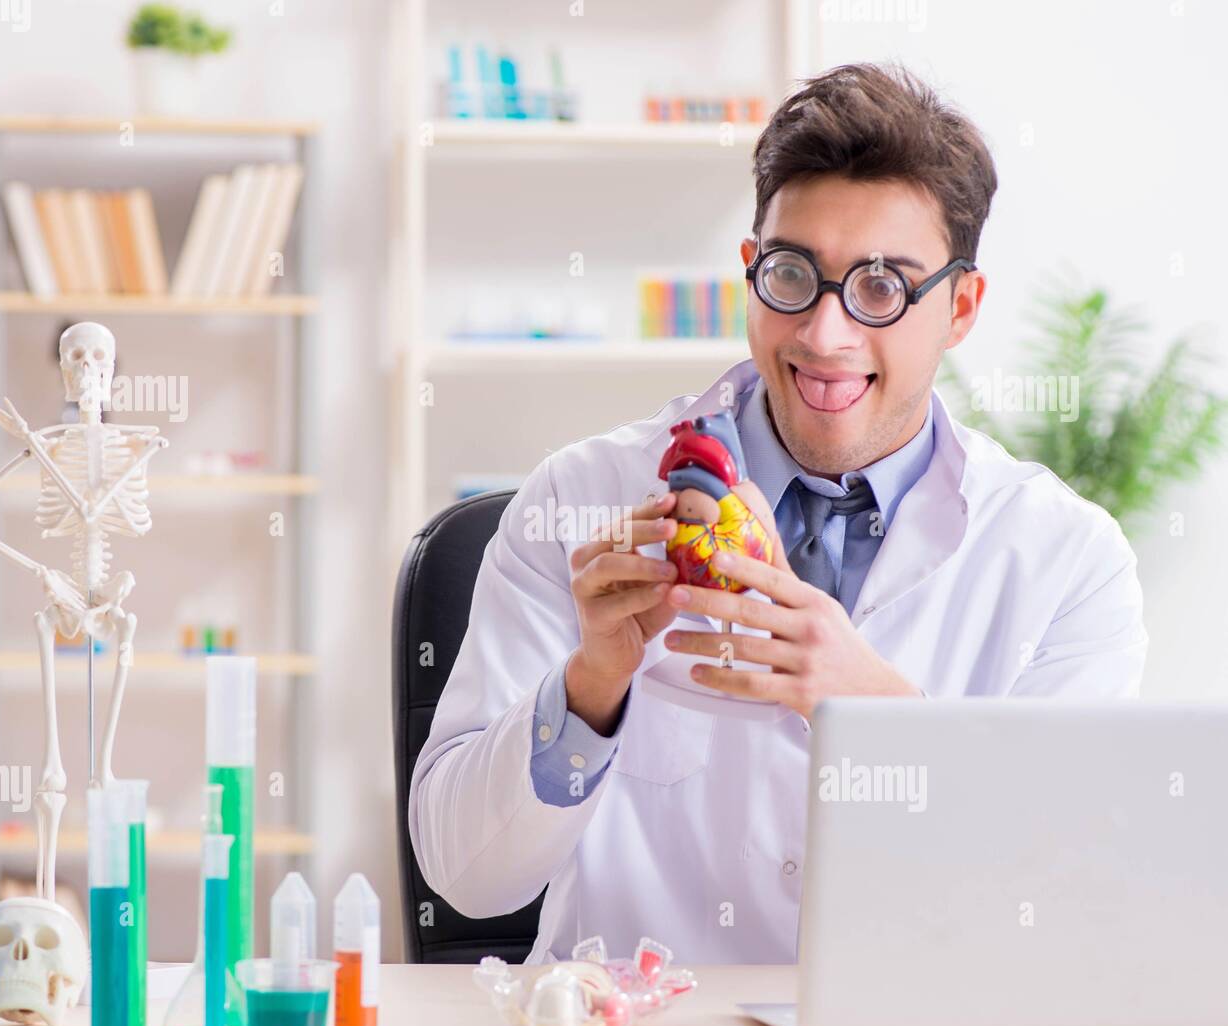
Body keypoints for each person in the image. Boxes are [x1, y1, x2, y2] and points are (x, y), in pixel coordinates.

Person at [409, 63, 1147, 964]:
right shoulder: (579, 499)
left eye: (882, 286)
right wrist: (592, 684)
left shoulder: (1066, 561)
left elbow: (1067, 906)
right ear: (753, 272)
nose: (825, 334)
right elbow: (462, 874)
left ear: (961, 307)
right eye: (795, 274)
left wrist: (879, 713)